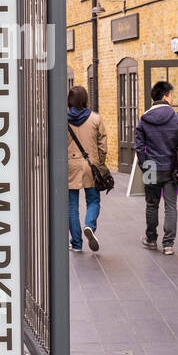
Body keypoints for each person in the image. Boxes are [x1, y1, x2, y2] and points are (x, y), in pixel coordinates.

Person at [134, 80, 178, 256]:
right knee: (171, 206)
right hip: (172, 167)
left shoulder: (143, 119)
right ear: (165, 96)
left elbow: (138, 147)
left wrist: (144, 165)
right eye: (171, 95)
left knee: (151, 205)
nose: (172, 99)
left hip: (151, 167)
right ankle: (168, 244)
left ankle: (151, 239)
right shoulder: (177, 117)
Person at [67, 84, 107, 253]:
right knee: (93, 200)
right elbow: (102, 145)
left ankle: (76, 243)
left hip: (70, 165)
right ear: (85, 99)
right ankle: (89, 225)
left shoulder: (62, 118)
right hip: (91, 165)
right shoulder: (95, 119)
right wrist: (100, 163)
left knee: (71, 205)